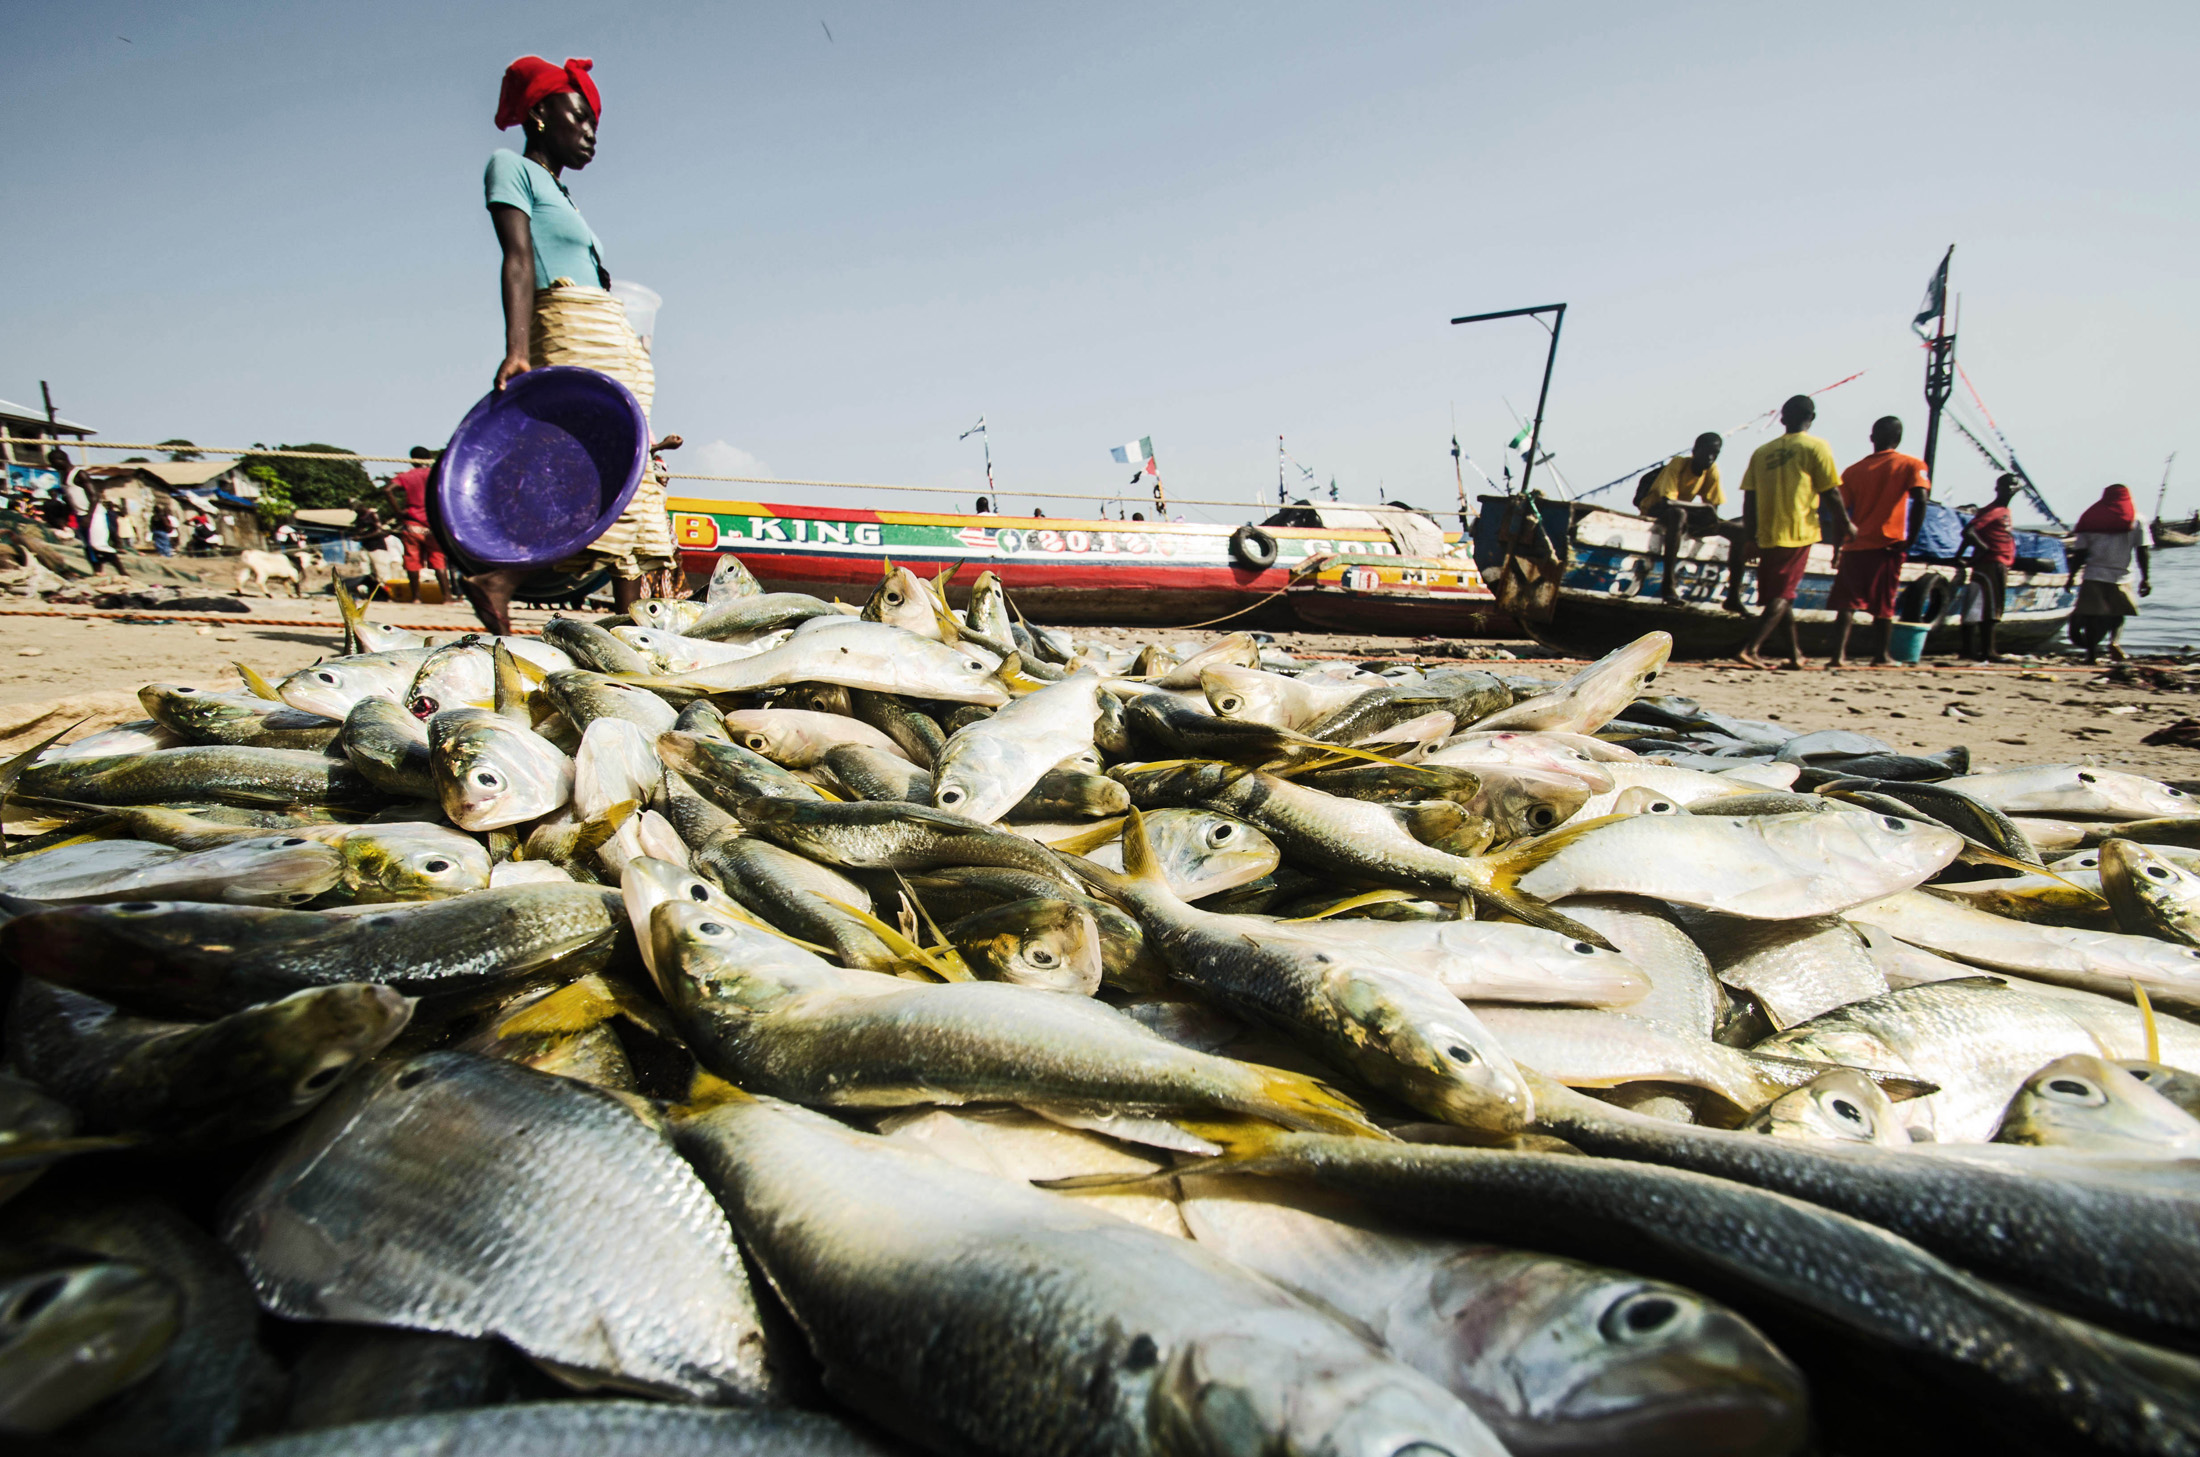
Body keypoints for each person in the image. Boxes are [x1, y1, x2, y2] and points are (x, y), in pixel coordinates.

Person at [463, 55, 676, 634]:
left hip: (607, 333)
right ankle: (502, 578)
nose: (589, 135)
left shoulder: (565, 196)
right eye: (579, 118)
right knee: (597, 475)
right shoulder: (511, 168)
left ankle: (636, 626)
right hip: (570, 324)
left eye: (595, 126)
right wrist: (518, 348)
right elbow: (518, 260)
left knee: (633, 479)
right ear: (539, 114)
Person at [1736, 395, 1851, 670]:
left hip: (1767, 533)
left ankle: (1795, 654)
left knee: (1781, 592)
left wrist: (1751, 537)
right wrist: (1845, 523)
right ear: (1811, 418)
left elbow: (1749, 500)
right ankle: (1751, 649)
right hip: (1798, 529)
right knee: (1783, 595)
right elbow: (1831, 492)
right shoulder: (1816, 446)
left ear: (1783, 419)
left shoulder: (1762, 452)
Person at [1824, 416, 1930, 668]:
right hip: (1887, 544)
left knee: (1846, 604)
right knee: (1884, 603)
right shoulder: (1912, 464)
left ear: (1872, 438)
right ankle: (1881, 655)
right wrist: (1911, 539)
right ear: (1899, 438)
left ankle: (1838, 656)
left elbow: (1840, 513)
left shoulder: (1853, 471)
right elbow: (1921, 500)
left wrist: (1836, 548)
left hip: (1855, 544)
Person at [1633, 432, 1729, 607]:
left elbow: (1713, 506)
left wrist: (1711, 519)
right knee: (1679, 514)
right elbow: (1668, 501)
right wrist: (1704, 510)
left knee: (1731, 526)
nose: (1710, 457)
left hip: (1682, 510)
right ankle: (1668, 583)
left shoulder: (1712, 470)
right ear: (1694, 451)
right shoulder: (1679, 463)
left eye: (1715, 453)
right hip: (1657, 508)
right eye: (1706, 452)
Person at [2064, 483, 2150, 664]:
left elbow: (2080, 553)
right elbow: (2142, 551)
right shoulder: (2137, 519)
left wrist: (2072, 576)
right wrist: (2146, 578)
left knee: (2091, 616)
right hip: (2121, 576)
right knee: (2119, 613)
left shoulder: (2090, 518)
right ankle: (2114, 642)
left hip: (2093, 574)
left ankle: (2092, 655)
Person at [1959, 475, 2021, 662]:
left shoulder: (2001, 511)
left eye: (2014, 487)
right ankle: (1989, 651)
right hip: (1993, 562)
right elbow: (1969, 531)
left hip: (1991, 562)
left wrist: (1961, 555)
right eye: (2008, 486)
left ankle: (1969, 650)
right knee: (1992, 608)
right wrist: (1984, 548)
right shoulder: (1996, 511)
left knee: (1977, 606)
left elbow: (1970, 533)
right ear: (1999, 488)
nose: (2011, 490)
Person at [388, 447, 457, 603]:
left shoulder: (407, 476)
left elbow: (387, 490)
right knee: (438, 560)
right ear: (429, 457)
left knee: (412, 561)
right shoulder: (437, 475)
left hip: (412, 524)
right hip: (433, 524)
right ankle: (447, 597)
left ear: (412, 460)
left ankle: (416, 597)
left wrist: (398, 512)